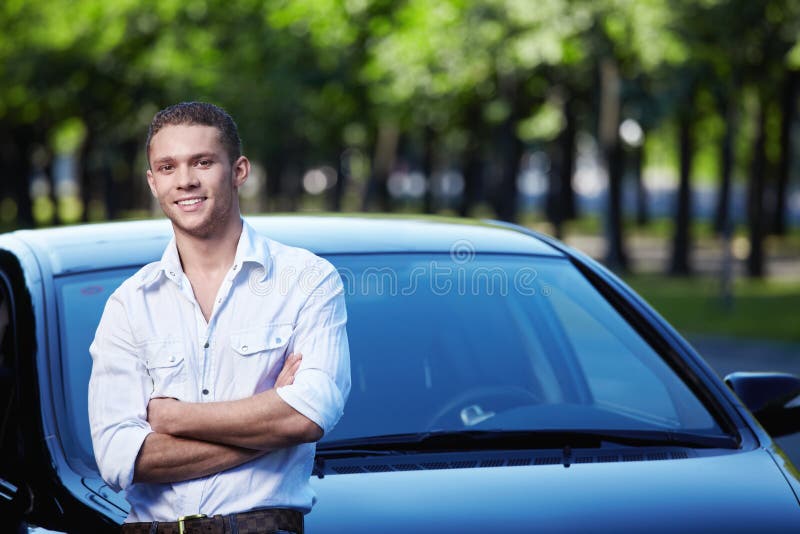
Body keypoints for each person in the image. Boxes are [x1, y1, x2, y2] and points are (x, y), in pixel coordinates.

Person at [88, 102, 351, 534]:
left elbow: (308, 414)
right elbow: (119, 458)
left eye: (203, 162)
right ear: (153, 182)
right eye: (168, 167)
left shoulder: (306, 280)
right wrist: (269, 431)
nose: (185, 180)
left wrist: (175, 419)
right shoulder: (129, 304)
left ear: (238, 171)